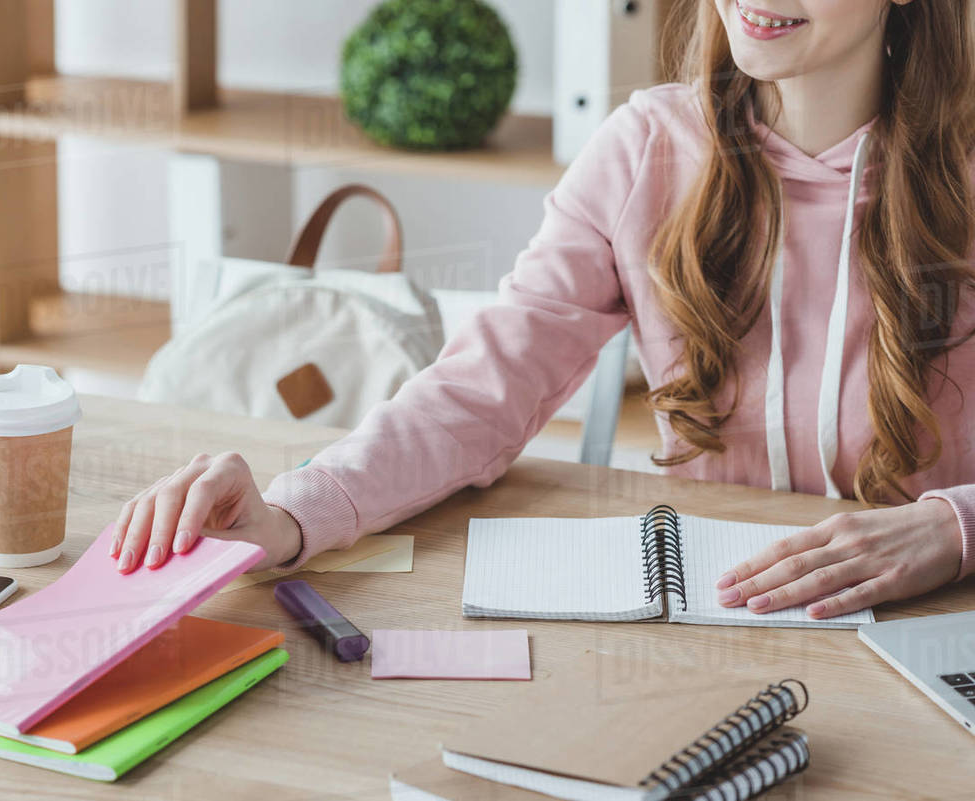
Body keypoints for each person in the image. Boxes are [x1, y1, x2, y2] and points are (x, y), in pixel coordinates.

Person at [110, 0, 975, 621]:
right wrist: (292, 514)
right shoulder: (646, 149)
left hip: (938, 613)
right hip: (714, 609)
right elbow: (483, 388)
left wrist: (953, 529)